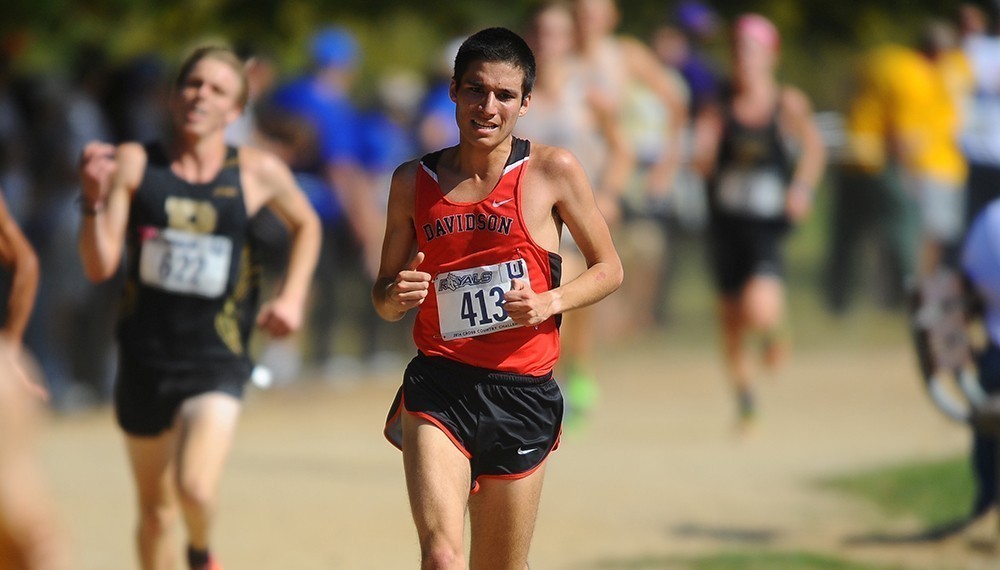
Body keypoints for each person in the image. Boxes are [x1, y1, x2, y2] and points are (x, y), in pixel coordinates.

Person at [373, 27, 623, 568]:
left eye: (505, 95)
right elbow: (383, 297)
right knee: (441, 556)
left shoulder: (553, 171)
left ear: (526, 102)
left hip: (521, 392)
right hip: (438, 384)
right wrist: (397, 293)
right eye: (475, 91)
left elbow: (610, 269)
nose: (488, 107)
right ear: (454, 92)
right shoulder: (411, 181)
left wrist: (549, 303)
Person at [77, 46, 321, 570]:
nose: (200, 96)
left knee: (193, 490)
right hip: (144, 358)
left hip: (217, 356)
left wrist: (293, 294)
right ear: (173, 96)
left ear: (235, 111)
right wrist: (92, 200)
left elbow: (308, 224)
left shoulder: (256, 171)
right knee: (154, 513)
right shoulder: (136, 164)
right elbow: (99, 265)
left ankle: (201, 551)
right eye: (192, 84)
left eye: (216, 89)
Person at [692, 14, 826, 430]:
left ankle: (773, 330)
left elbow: (814, 149)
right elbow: (702, 158)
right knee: (731, 318)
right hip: (725, 225)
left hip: (767, 226)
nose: (743, 59)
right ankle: (745, 396)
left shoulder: (787, 104)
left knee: (758, 307)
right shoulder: (719, 105)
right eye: (737, 51)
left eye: (752, 51)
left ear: (771, 55)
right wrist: (703, 149)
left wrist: (802, 188)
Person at [515, 0, 634, 424]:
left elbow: (622, 149)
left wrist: (611, 196)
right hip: (524, 215)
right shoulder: (517, 95)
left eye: (557, 34)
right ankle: (533, 379)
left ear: (571, 40)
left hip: (575, 209)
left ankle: (577, 369)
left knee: (571, 285)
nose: (548, 43)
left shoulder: (588, 92)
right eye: (541, 33)